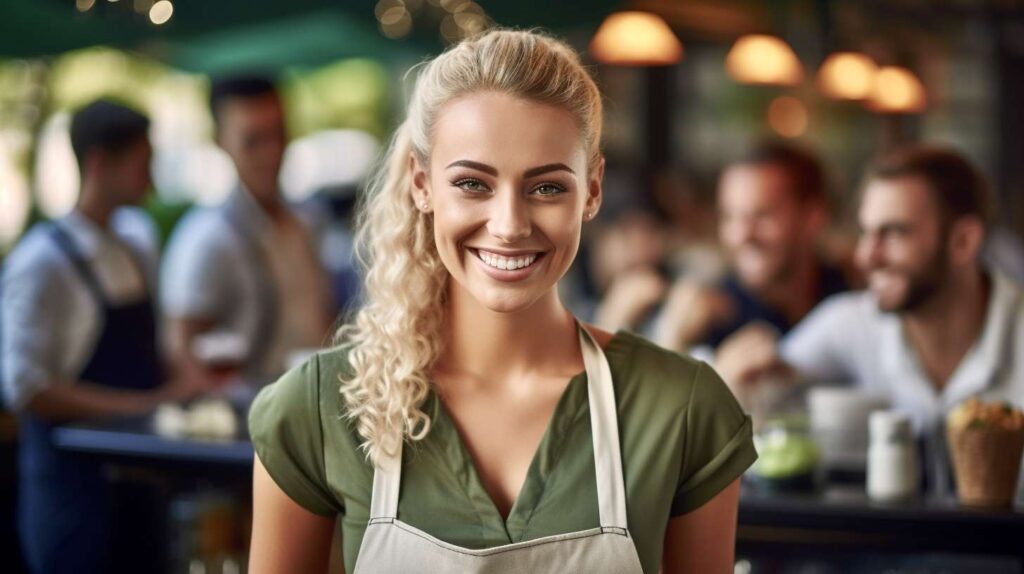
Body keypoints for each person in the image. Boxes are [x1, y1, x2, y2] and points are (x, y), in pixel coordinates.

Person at [247, 30, 756, 574]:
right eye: (472, 184)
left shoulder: (681, 411)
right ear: (422, 185)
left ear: (593, 190)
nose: (509, 226)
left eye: (547, 188)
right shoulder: (320, 409)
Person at [0, 100, 205, 573]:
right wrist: (147, 407)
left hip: (141, 484)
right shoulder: (40, 262)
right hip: (72, 494)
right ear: (98, 164)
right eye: (142, 164)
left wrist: (187, 379)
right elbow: (26, 389)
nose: (151, 181)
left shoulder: (136, 242)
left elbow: (154, 346)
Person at [731, 146, 1024, 435]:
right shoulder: (853, 323)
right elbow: (752, 393)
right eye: (866, 233)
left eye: (894, 233)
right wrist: (732, 371)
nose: (866, 256)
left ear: (963, 241)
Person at [160, 75, 334, 390]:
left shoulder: (308, 221)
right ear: (219, 140)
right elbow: (180, 353)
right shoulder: (206, 239)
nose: (272, 153)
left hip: (316, 404)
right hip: (254, 418)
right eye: (253, 140)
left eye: (278, 135)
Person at [653, 143, 850, 356]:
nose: (742, 236)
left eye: (762, 216)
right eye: (730, 217)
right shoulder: (708, 323)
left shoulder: (852, 300)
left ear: (813, 218)